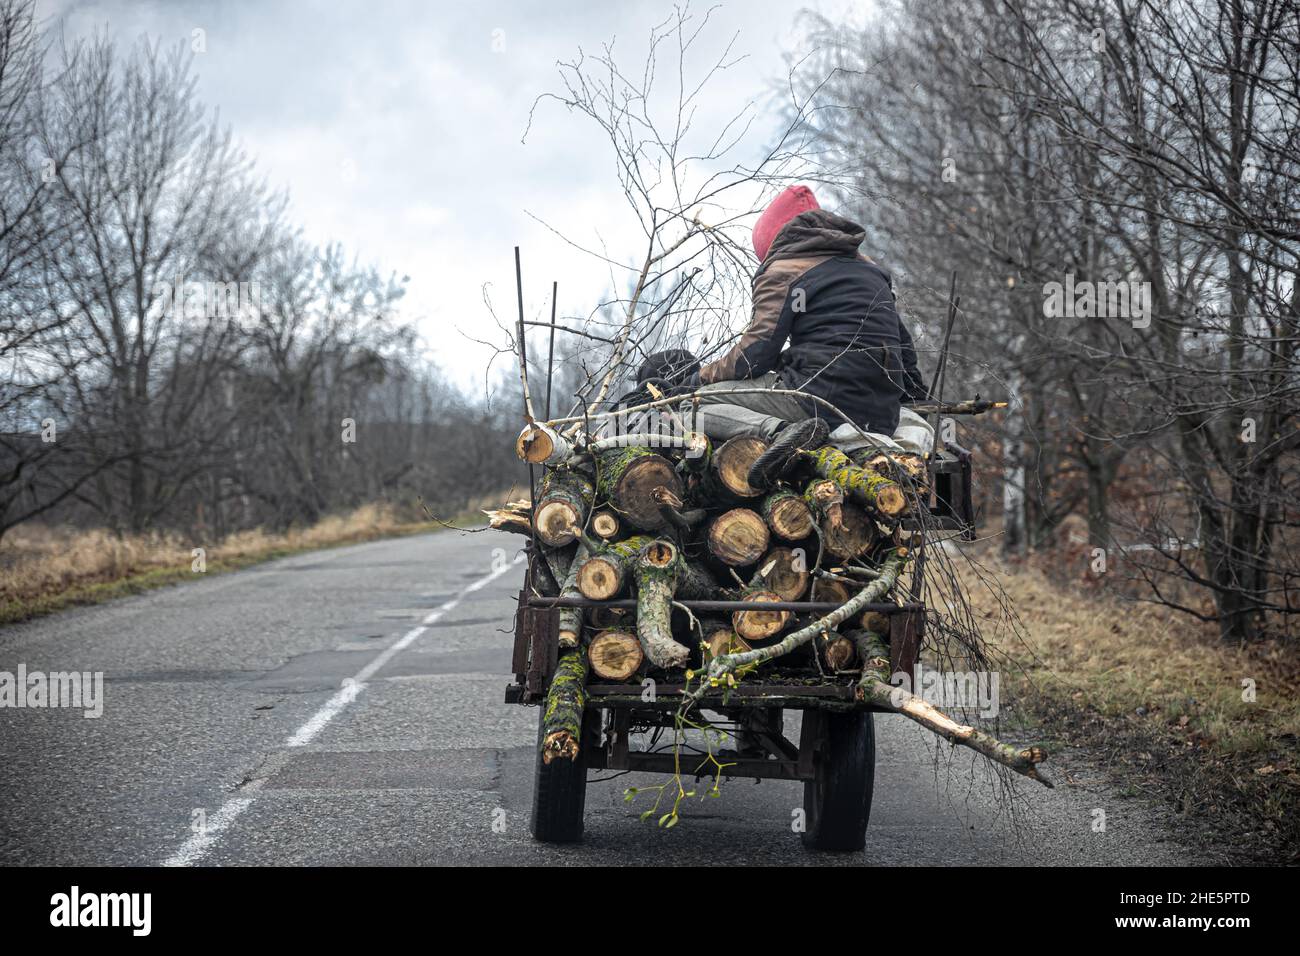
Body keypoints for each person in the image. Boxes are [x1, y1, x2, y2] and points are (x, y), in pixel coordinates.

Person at [679, 185, 929, 487]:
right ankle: (800, 429)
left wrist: (702, 377)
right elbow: (904, 349)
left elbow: (755, 355)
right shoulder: (870, 270)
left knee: (691, 406)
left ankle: (779, 431)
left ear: (773, 241)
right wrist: (912, 399)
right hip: (881, 414)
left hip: (819, 399)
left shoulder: (785, 269)